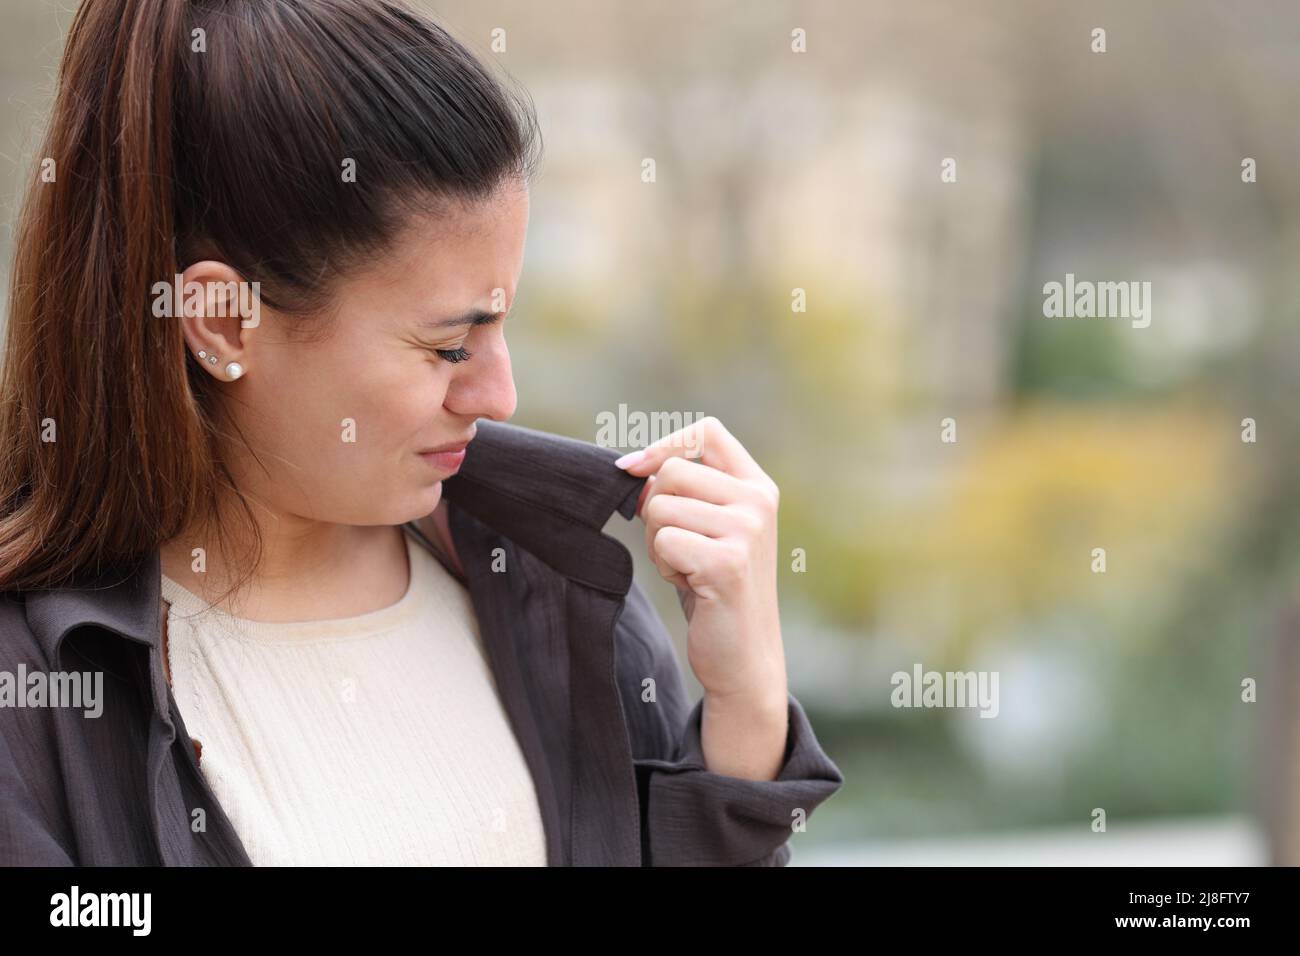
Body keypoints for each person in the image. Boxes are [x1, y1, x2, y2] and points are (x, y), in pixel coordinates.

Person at [0, 0, 843, 866]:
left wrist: (745, 709)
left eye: (503, 325)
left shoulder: (560, 586)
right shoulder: (33, 700)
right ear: (221, 321)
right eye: (448, 345)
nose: (501, 395)